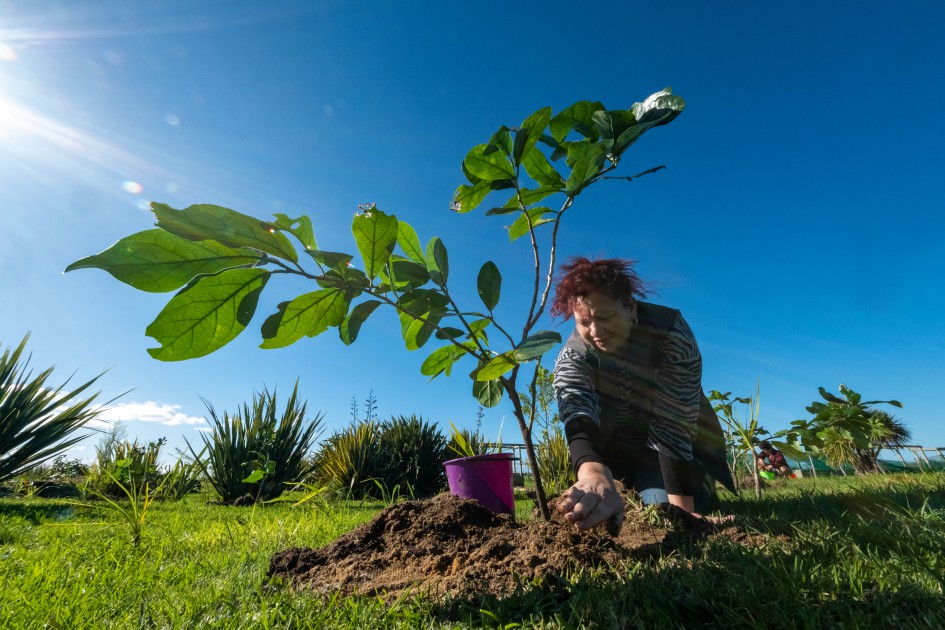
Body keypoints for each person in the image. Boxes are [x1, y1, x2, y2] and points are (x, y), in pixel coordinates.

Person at [551, 257, 735, 533]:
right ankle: (623, 485)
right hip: (617, 451)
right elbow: (576, 409)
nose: (596, 331)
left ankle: (699, 486)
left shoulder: (672, 335)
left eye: (606, 317)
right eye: (584, 321)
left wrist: (685, 514)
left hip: (671, 450)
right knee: (624, 504)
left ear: (630, 307)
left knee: (664, 510)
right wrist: (594, 472)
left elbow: (673, 423)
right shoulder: (574, 354)